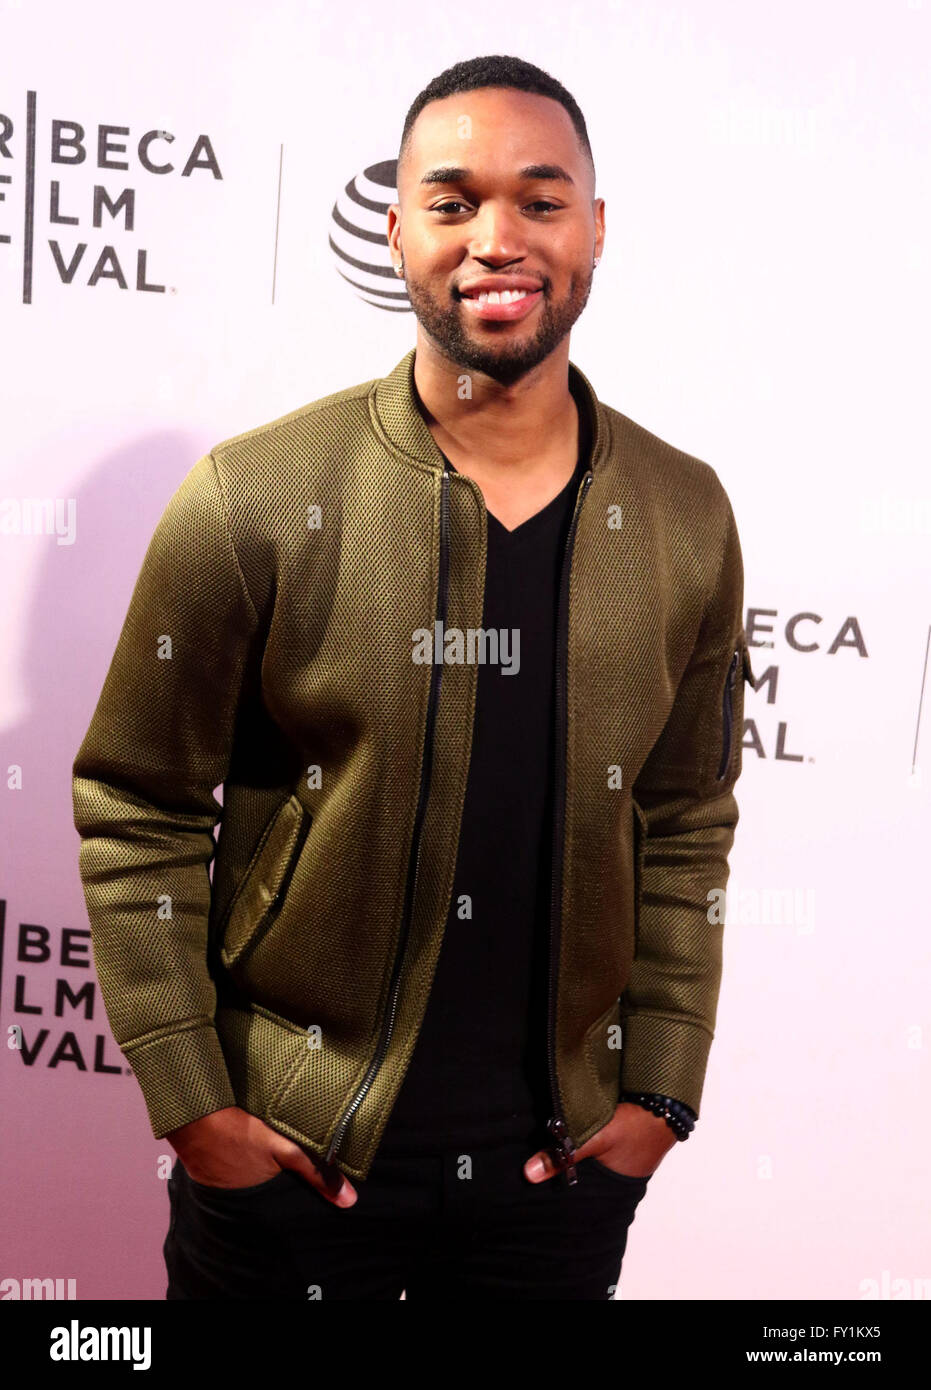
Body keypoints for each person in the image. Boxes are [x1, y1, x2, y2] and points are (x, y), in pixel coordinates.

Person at [72, 54, 755, 1300]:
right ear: (394, 231)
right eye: (452, 202)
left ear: (595, 230)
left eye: (541, 201)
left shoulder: (684, 516)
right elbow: (138, 804)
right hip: (290, 1164)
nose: (498, 238)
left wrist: (660, 1086)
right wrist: (193, 1101)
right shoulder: (258, 499)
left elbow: (684, 823)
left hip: (559, 1182)